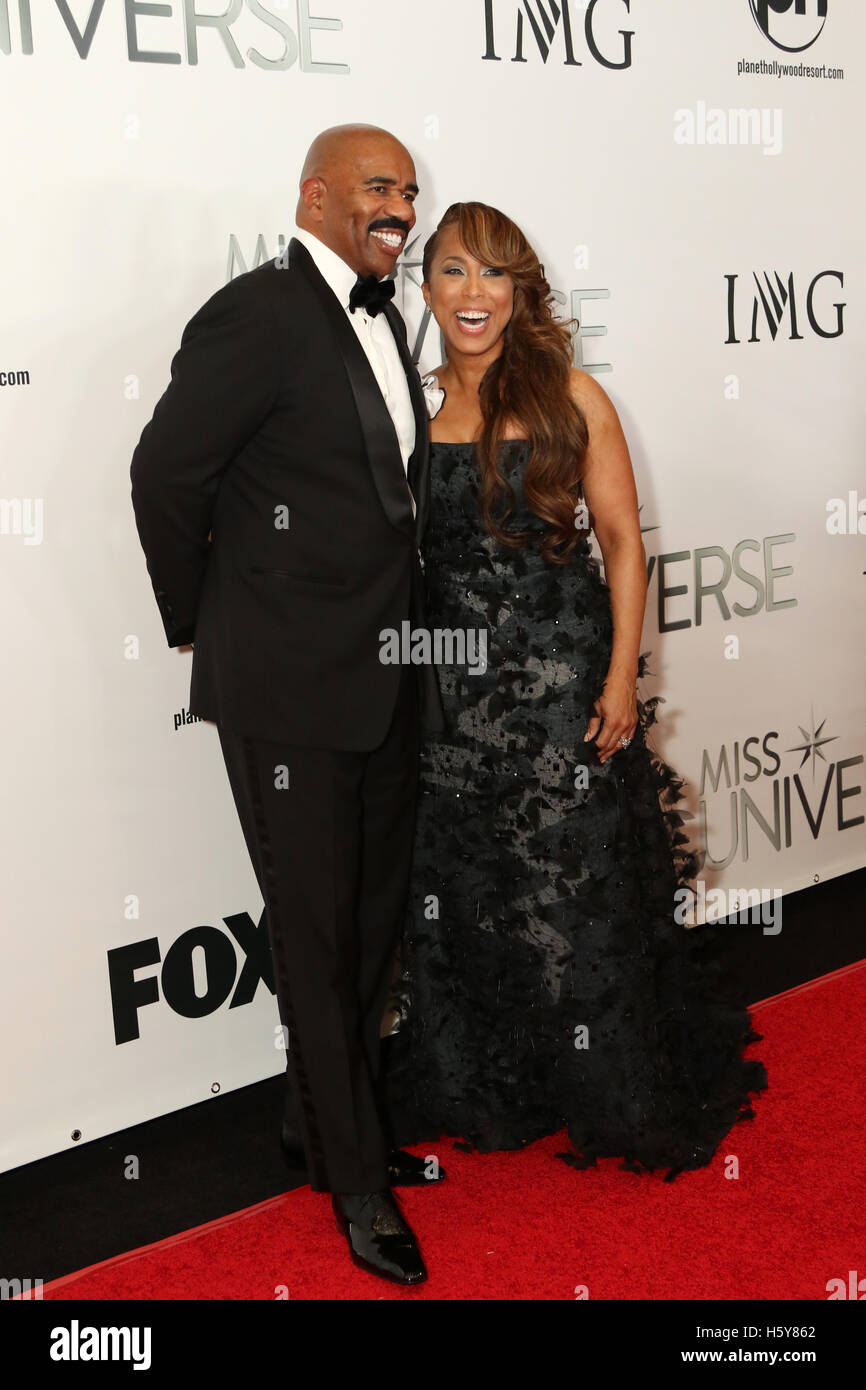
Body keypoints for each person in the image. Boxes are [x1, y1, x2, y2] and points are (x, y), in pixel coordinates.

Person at [383, 201, 768, 1179]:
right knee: (473, 899)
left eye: (493, 275)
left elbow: (624, 541)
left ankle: (611, 1091)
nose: (472, 295)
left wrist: (621, 675)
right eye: (454, 274)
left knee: (575, 899)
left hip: (562, 685)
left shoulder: (569, 395)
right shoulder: (410, 411)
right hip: (452, 701)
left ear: (520, 291)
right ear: (425, 289)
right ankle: (497, 1090)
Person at [129, 124, 448, 1287]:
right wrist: (196, 618)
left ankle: (322, 1126)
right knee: (312, 937)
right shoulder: (258, 311)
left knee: (364, 927)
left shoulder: (380, 312)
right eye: (377, 187)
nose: (398, 208)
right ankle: (355, 1186)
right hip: (287, 686)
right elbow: (164, 472)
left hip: (385, 675)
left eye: (409, 191)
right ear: (313, 194)